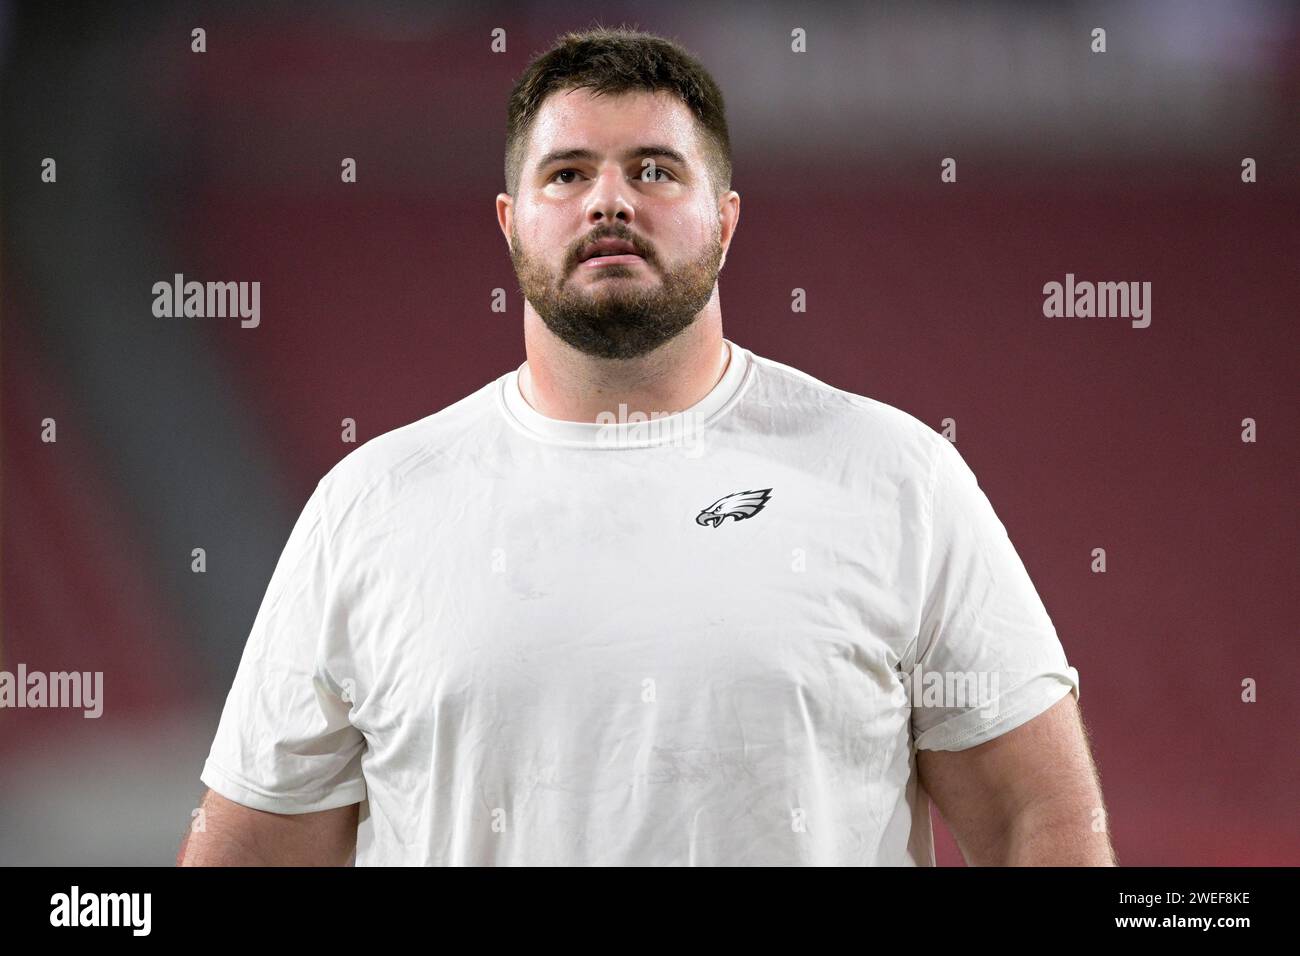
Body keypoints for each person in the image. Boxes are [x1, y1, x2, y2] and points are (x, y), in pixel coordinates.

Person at [180, 26, 1114, 866]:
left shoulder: (896, 477)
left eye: (656, 170)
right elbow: (253, 855)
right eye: (567, 173)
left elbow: (1041, 822)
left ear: (726, 219)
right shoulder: (371, 505)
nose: (609, 202)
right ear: (512, 225)